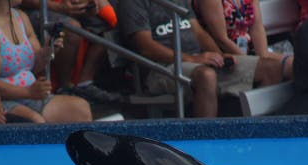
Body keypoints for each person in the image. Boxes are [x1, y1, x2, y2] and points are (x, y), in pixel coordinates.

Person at [119, 0, 286, 118]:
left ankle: (253, 133)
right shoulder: (133, 2)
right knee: (206, 76)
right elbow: (145, 46)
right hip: (162, 69)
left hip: (197, 62)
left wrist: (219, 54)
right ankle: (204, 140)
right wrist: (192, 59)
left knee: (271, 68)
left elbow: (199, 32)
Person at [0, 0, 92, 123]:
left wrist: (48, 51)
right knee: (36, 122)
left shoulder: (20, 16)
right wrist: (28, 92)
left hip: (31, 96)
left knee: (81, 109)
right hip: (2, 102)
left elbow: (33, 66)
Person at [21, 0, 121, 102]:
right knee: (72, 27)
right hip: (36, 9)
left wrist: (90, 5)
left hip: (67, 6)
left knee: (109, 21)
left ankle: (85, 83)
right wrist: (58, 7)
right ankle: (65, 87)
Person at [192, 0, 293, 80]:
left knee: (293, 64)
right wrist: (253, 62)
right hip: (227, 55)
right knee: (276, 68)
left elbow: (257, 28)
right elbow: (221, 39)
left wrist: (263, 56)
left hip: (250, 50)